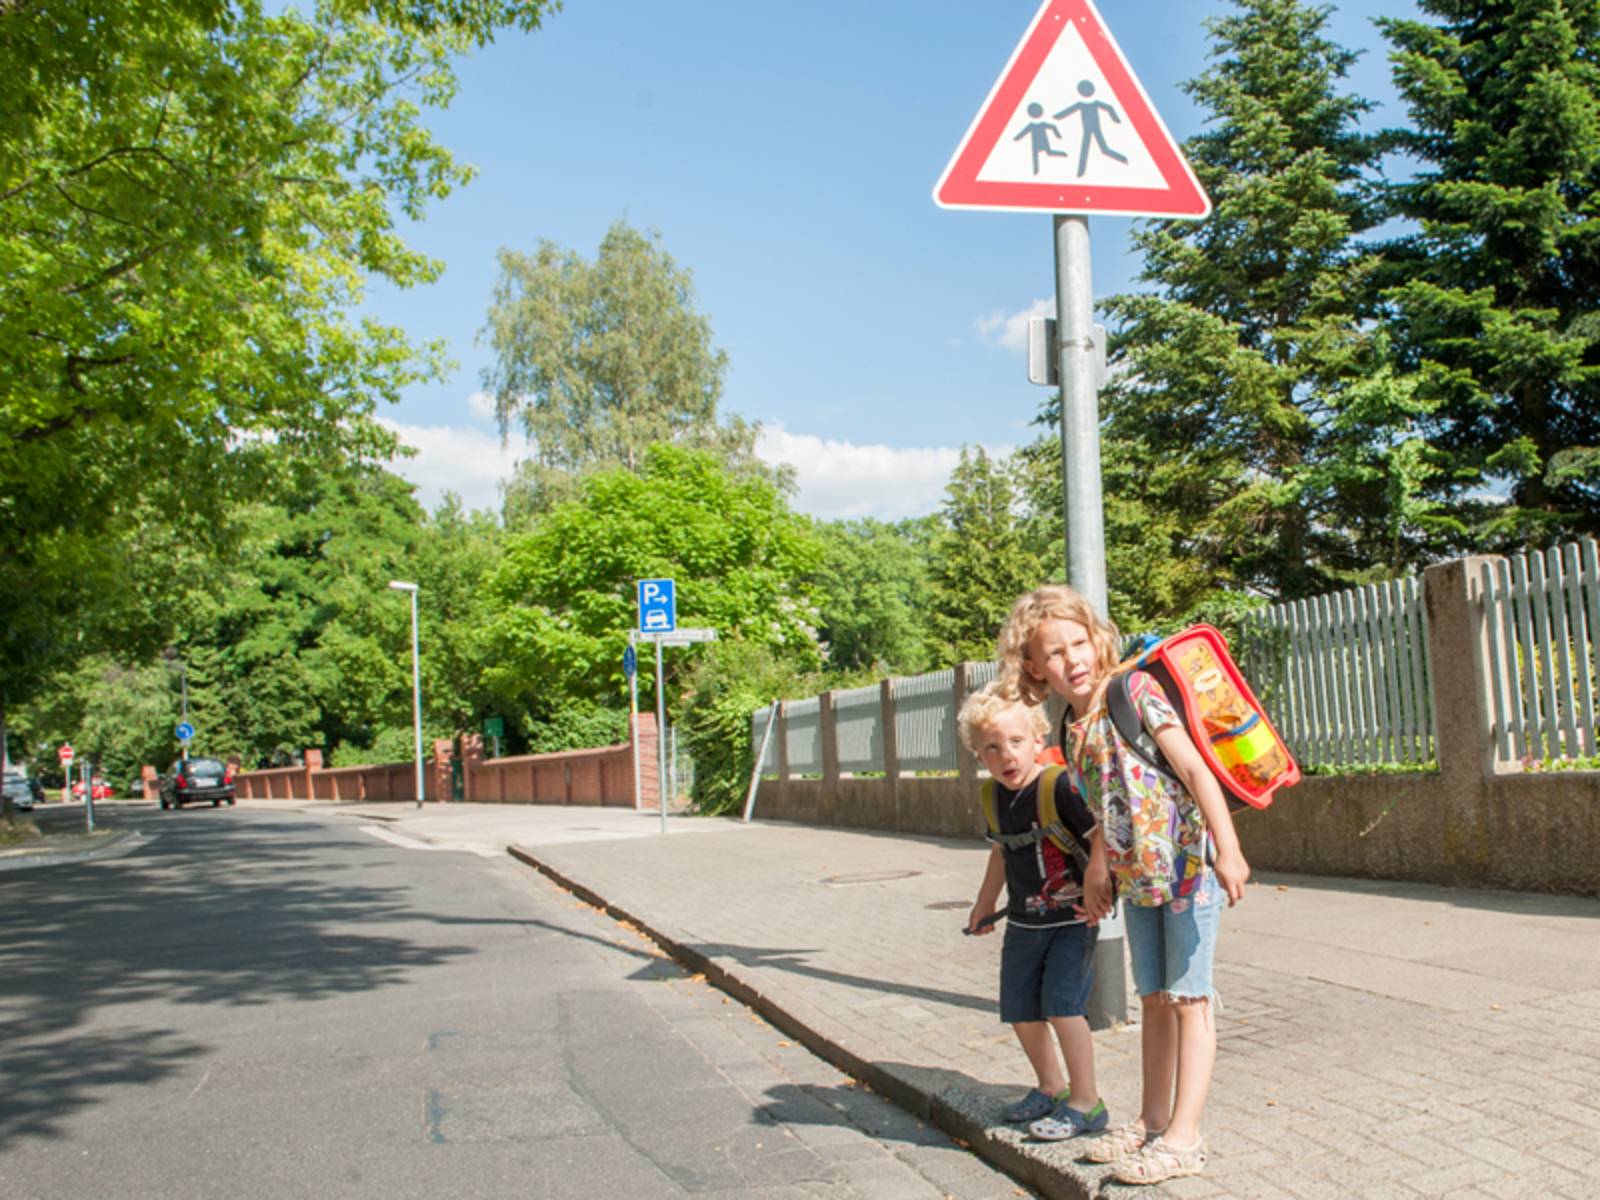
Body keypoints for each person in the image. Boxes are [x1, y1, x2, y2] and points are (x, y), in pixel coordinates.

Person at [996, 585, 1250, 1186]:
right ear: (1033, 666)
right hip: (1139, 876)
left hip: (1188, 864)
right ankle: (1152, 1122)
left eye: (1079, 643)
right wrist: (1096, 866)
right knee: (1157, 998)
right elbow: (1104, 800)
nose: (1072, 660)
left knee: (1190, 998)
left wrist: (1230, 849)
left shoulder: (1132, 691)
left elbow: (1192, 767)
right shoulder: (1070, 720)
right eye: (1054, 653)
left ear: (1097, 638)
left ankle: (1185, 1139)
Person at [959, 682, 1108, 1141]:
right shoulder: (993, 798)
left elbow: (1099, 834)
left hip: (1071, 920)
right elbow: (1001, 852)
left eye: (1016, 742)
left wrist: (1097, 884)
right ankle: (1050, 1086)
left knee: (1063, 1008)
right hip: (1023, 922)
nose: (1007, 755)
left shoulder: (1059, 786)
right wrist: (985, 903)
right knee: (1021, 1010)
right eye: (992, 748)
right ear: (979, 755)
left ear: (1038, 741)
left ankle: (1087, 1102)